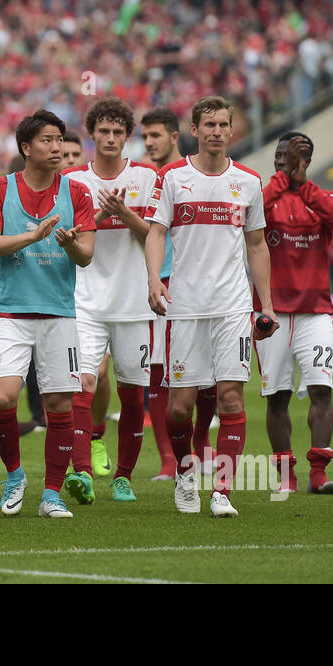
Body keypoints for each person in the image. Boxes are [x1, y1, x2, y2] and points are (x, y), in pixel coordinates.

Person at [145, 96, 277, 519]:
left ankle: (222, 491)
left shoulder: (249, 181)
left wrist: (267, 305)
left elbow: (256, 246)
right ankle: (185, 471)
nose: (217, 131)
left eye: (224, 124)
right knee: (179, 407)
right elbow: (155, 232)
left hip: (233, 308)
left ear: (231, 130)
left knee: (232, 399)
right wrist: (153, 280)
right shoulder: (172, 177)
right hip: (184, 308)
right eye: (210, 125)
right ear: (195, 130)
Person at [0, 109, 96, 519]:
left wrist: (68, 244)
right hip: (10, 313)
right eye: (47, 140)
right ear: (26, 148)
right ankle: (14, 475)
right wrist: (33, 235)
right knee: (3, 398)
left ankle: (51, 495)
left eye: (59, 139)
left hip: (60, 314)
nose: (57, 147)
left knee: (60, 405)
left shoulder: (78, 193)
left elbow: (86, 257)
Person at [62, 98, 159, 504]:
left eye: (119, 132)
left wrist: (124, 212)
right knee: (82, 383)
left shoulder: (147, 177)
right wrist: (97, 218)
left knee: (133, 393)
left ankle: (123, 477)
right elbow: (66, 235)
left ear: (127, 136)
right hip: (85, 301)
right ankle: (82, 472)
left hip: (134, 302)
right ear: (92, 134)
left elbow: (153, 234)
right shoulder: (73, 180)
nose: (111, 138)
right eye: (104, 131)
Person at [257, 132, 333, 494]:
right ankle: (285, 477)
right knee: (277, 397)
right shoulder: (263, 197)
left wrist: (303, 182)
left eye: (294, 156)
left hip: (315, 313)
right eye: (281, 155)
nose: (285, 161)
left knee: (321, 391)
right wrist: (283, 181)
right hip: (271, 313)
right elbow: (250, 216)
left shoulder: (324, 198)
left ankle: (318, 474)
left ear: (307, 161)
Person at [140, 107, 217, 481]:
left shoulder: (193, 174)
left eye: (155, 136)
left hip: (203, 286)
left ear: (174, 136)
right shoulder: (145, 177)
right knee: (159, 370)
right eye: (145, 137)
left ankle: (202, 443)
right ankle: (170, 459)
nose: (148, 143)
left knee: (210, 373)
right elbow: (148, 233)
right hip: (160, 284)